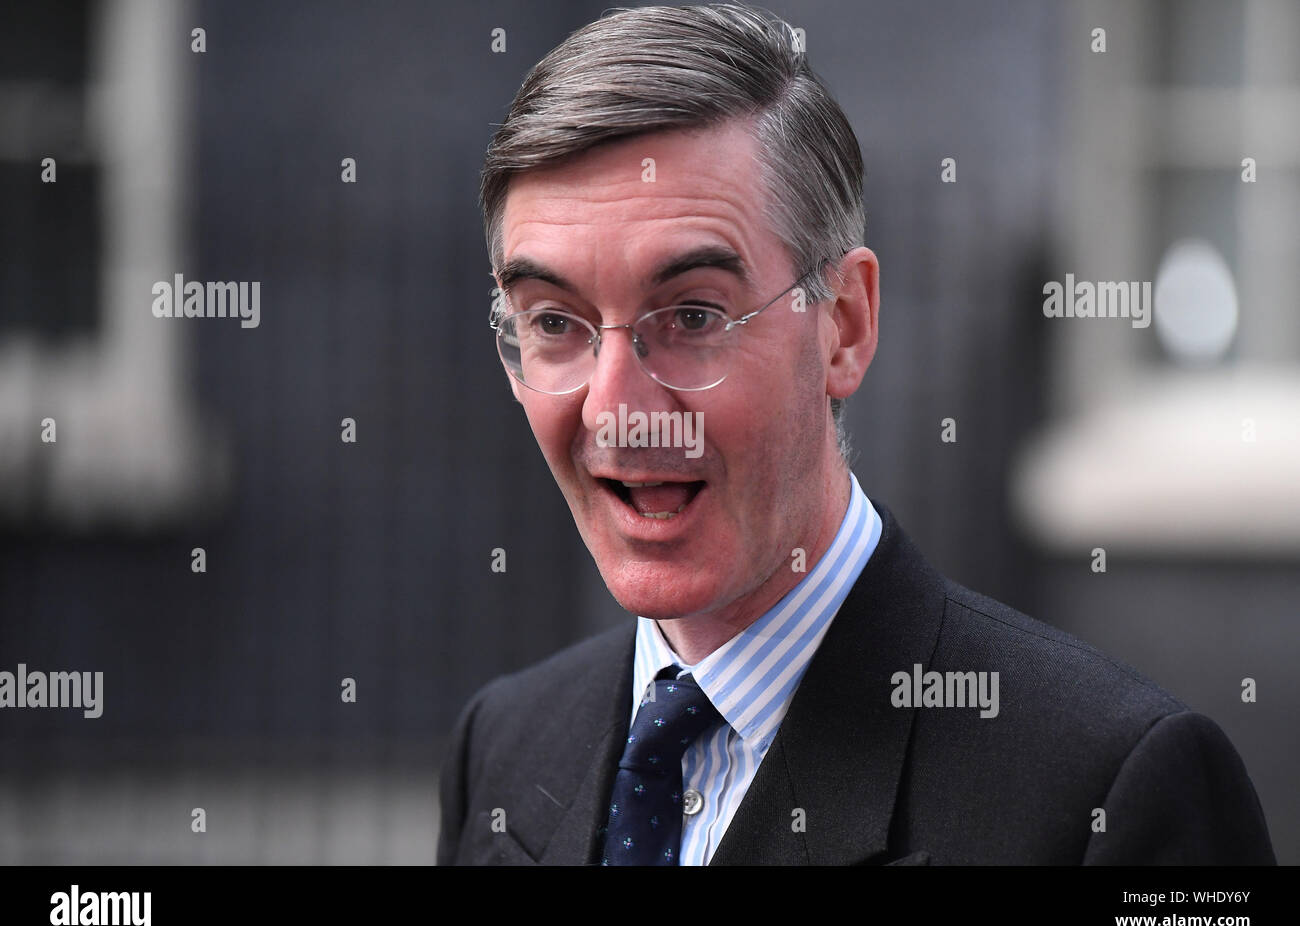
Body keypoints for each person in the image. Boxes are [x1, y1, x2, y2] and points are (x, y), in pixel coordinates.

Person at [436, 3, 1275, 865]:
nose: (616, 408)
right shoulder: (501, 748)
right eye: (553, 323)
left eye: (691, 314)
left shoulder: (1117, 789)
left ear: (844, 324)